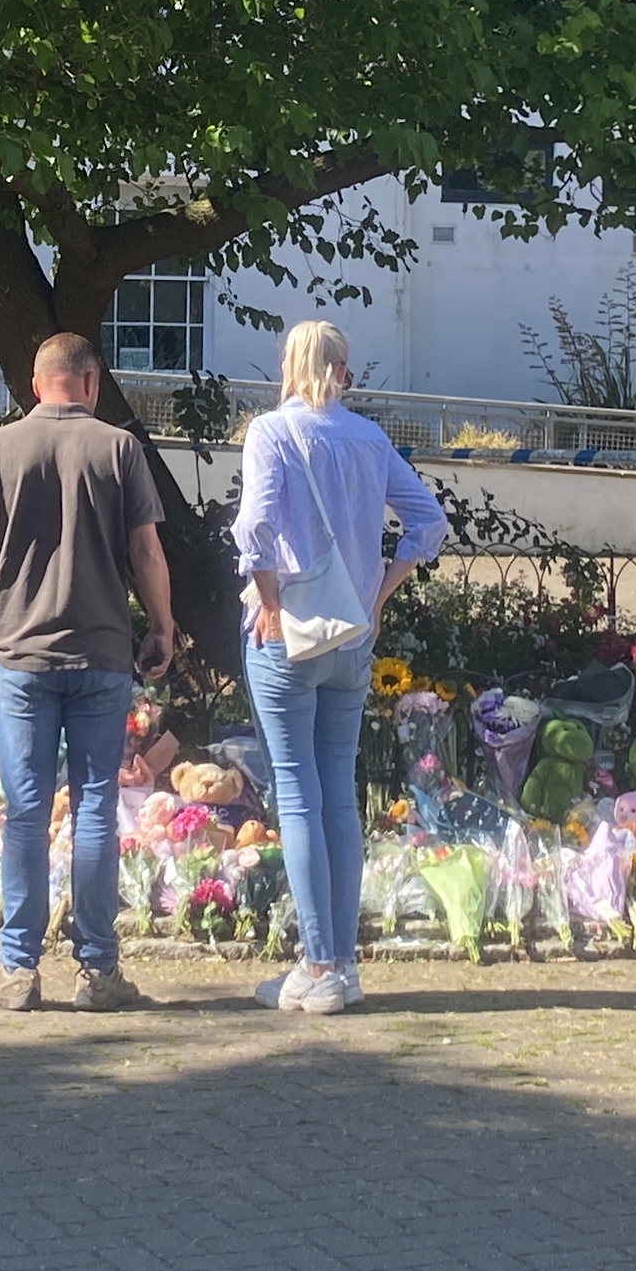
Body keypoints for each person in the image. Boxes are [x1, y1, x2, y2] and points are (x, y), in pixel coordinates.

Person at [233, 319, 448, 1015]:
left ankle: (319, 963)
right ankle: (342, 965)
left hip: (288, 634)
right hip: (352, 637)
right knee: (337, 794)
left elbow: (256, 529)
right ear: (343, 373)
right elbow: (428, 522)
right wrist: (378, 595)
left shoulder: (271, 432)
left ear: (288, 367)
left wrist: (267, 604)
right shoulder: (368, 438)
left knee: (296, 795)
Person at [0, 331, 178, 1015]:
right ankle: (96, 971)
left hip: (22, 655)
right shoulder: (119, 449)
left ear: (35, 384)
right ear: (90, 383)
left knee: (25, 812)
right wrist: (164, 626)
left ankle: (17, 970)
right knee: (93, 809)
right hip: (101, 652)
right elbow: (145, 549)